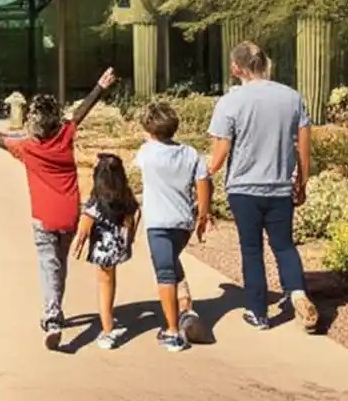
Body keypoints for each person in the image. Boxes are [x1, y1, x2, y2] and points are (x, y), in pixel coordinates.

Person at [0, 67, 116, 350]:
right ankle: (56, 312)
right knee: (59, 265)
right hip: (69, 216)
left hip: (42, 217)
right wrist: (100, 86)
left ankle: (52, 317)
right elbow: (80, 113)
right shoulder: (66, 135)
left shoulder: (27, 148)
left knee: (47, 264)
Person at [208, 41, 320, 333]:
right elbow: (304, 142)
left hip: (244, 188)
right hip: (280, 185)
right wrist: (302, 179)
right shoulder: (291, 97)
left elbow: (220, 154)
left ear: (236, 68)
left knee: (251, 249)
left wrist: (204, 173)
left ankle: (258, 313)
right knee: (284, 245)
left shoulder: (231, 102)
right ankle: (296, 292)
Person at [134, 101, 213, 351]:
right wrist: (203, 213)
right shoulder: (190, 153)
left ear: (150, 129)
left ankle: (172, 331)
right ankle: (186, 308)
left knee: (164, 273)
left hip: (158, 222)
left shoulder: (146, 152)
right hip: (183, 222)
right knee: (172, 261)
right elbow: (203, 181)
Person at [71, 153, 139, 350]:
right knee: (111, 282)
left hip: (102, 251)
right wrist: (130, 238)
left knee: (104, 286)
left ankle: (107, 329)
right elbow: (135, 216)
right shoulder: (126, 198)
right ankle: (109, 320)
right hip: (119, 249)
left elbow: (84, 228)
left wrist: (78, 245)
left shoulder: (96, 203)